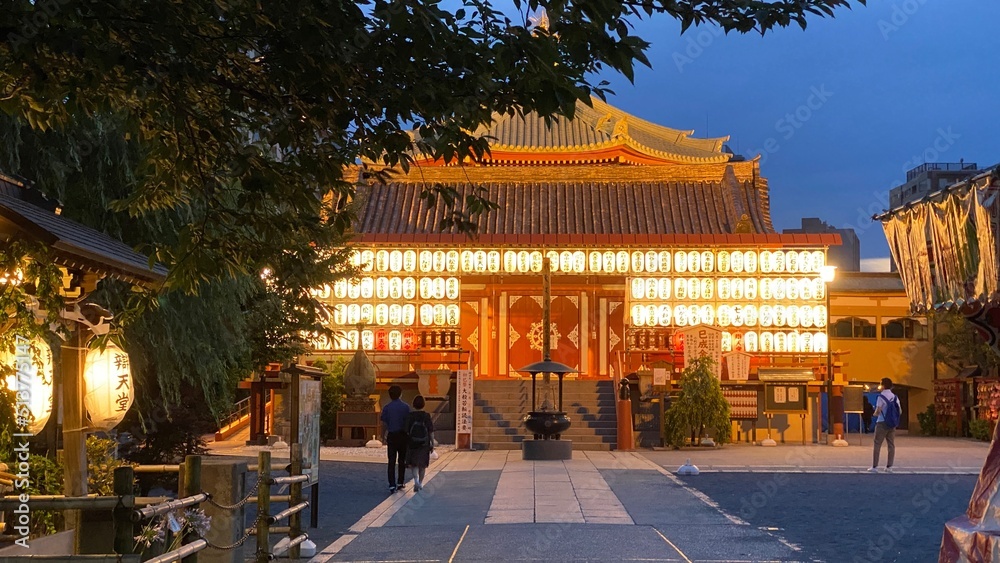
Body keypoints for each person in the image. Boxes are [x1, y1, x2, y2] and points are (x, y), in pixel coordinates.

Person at [380, 385, 411, 492]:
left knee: (391, 460)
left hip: (392, 435)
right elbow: (408, 422)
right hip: (403, 435)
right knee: (402, 460)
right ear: (400, 394)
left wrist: (383, 434)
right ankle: (400, 481)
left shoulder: (387, 408)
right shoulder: (406, 407)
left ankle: (391, 484)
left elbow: (384, 422)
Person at [869, 377, 902, 473]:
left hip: (882, 422)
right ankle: (889, 466)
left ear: (883, 385)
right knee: (891, 444)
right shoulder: (895, 397)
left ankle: (875, 466)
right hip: (892, 424)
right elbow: (899, 411)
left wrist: (874, 414)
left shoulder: (881, 397)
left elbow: (878, 411)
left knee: (877, 444)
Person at [404, 395, 435, 492]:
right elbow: (431, 430)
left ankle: (416, 481)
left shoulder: (410, 416)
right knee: (422, 464)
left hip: (412, 442)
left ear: (413, 404)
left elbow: (406, 430)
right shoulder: (426, 416)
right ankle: (420, 483)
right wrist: (432, 442)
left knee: (414, 464)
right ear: (423, 404)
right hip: (424, 442)